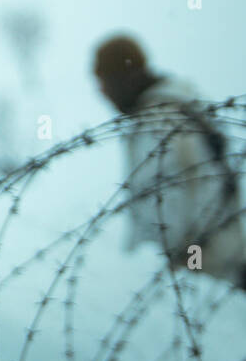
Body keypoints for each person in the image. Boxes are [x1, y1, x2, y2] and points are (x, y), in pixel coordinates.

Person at [92, 33, 246, 290]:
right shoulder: (176, 107)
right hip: (216, 264)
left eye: (105, 82)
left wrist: (172, 260)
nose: (103, 93)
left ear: (124, 77)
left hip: (208, 272)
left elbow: (180, 199)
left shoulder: (161, 120)